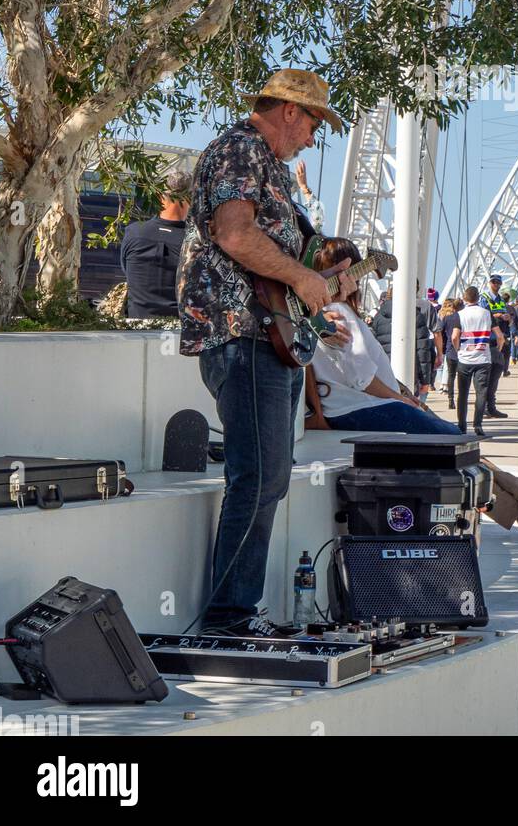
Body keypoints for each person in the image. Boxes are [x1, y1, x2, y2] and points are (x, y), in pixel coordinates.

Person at [177, 69, 354, 638]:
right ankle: (228, 619)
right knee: (258, 477)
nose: (311, 138)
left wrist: (324, 286)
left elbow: (288, 268)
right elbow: (233, 235)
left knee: (269, 477)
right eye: (311, 125)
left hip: (267, 337)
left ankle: (236, 612)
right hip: (240, 335)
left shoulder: (270, 167)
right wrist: (304, 277)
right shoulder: (239, 149)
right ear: (288, 112)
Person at [311, 241, 518, 534]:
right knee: (454, 444)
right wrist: (403, 401)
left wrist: (400, 393)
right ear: (346, 271)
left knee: (449, 450)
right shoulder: (338, 312)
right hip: (362, 406)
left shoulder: (316, 315)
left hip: (349, 405)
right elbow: (362, 378)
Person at [120, 169, 192, 318]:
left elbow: (127, 272)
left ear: (159, 196)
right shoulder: (194, 240)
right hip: (179, 329)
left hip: (136, 326)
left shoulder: (134, 232)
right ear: (190, 198)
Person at [371, 286, 437, 398]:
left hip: (383, 374)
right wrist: (425, 380)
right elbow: (422, 350)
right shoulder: (415, 315)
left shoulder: (378, 317)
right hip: (409, 374)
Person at [451, 285, 499, 437]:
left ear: (465, 298)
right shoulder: (487, 313)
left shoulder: (460, 315)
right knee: (481, 393)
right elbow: (500, 336)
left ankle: (462, 425)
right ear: (478, 298)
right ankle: (478, 425)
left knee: (463, 394)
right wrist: (496, 348)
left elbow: (454, 336)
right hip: (483, 358)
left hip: (465, 358)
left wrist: (458, 349)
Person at [480, 275, 511, 419]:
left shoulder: (500, 299)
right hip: (489, 340)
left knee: (495, 376)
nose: (496, 284)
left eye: (498, 282)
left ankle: (491, 406)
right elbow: (483, 314)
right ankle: (486, 407)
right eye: (494, 282)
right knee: (487, 377)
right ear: (490, 283)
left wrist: (506, 317)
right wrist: (498, 315)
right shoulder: (484, 297)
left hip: (500, 339)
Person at [439, 296, 462, 408]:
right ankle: (461, 399)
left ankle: (451, 399)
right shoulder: (463, 318)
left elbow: (441, 332)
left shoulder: (447, 318)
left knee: (451, 376)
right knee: (463, 377)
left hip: (450, 350)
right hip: (463, 350)